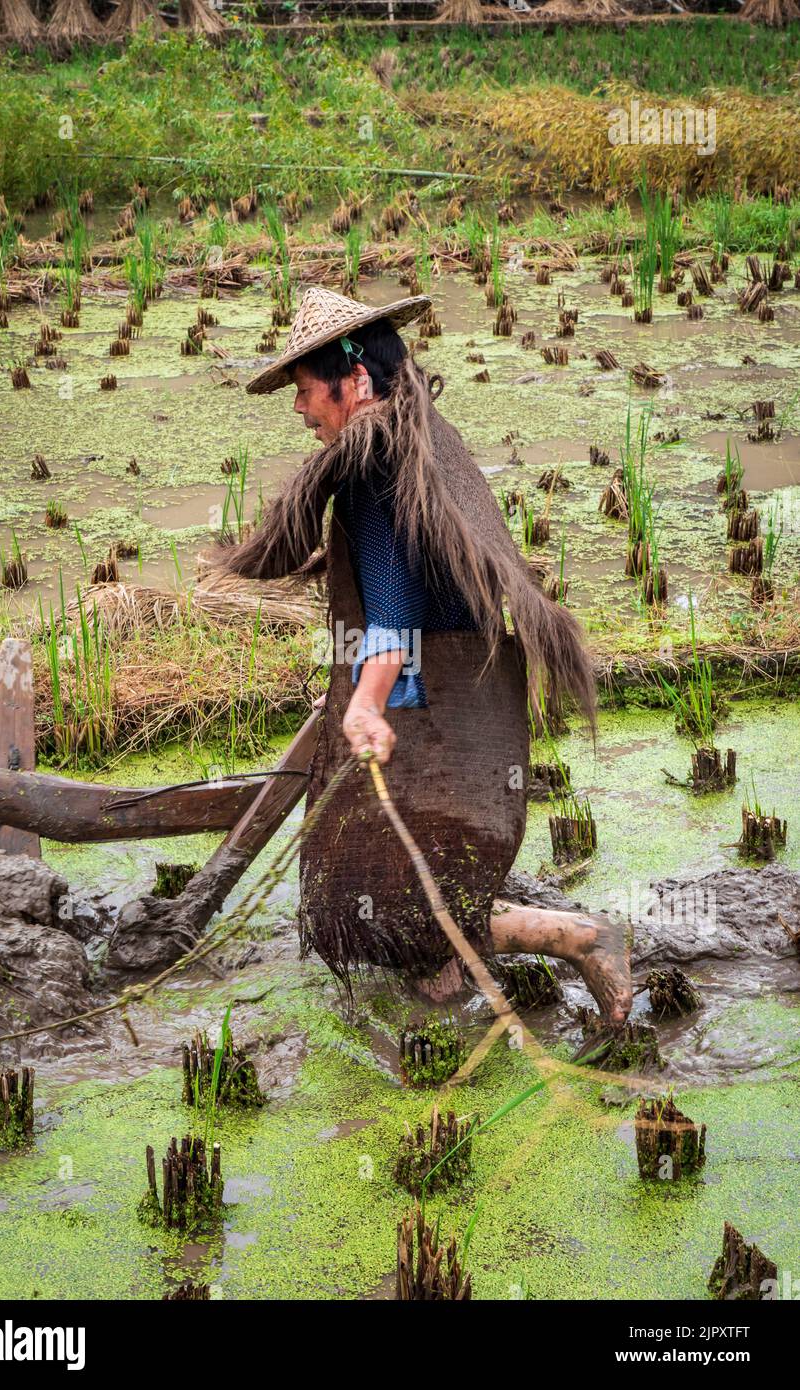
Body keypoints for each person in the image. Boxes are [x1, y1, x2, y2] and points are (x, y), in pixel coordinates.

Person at [214, 287, 632, 1025]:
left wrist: (369, 701)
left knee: (386, 903)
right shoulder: (426, 437)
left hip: (425, 705)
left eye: (307, 391)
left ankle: (583, 938)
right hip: (462, 695)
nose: (300, 409)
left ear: (358, 384)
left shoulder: (372, 465)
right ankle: (466, 968)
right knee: (414, 887)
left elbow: (396, 616)